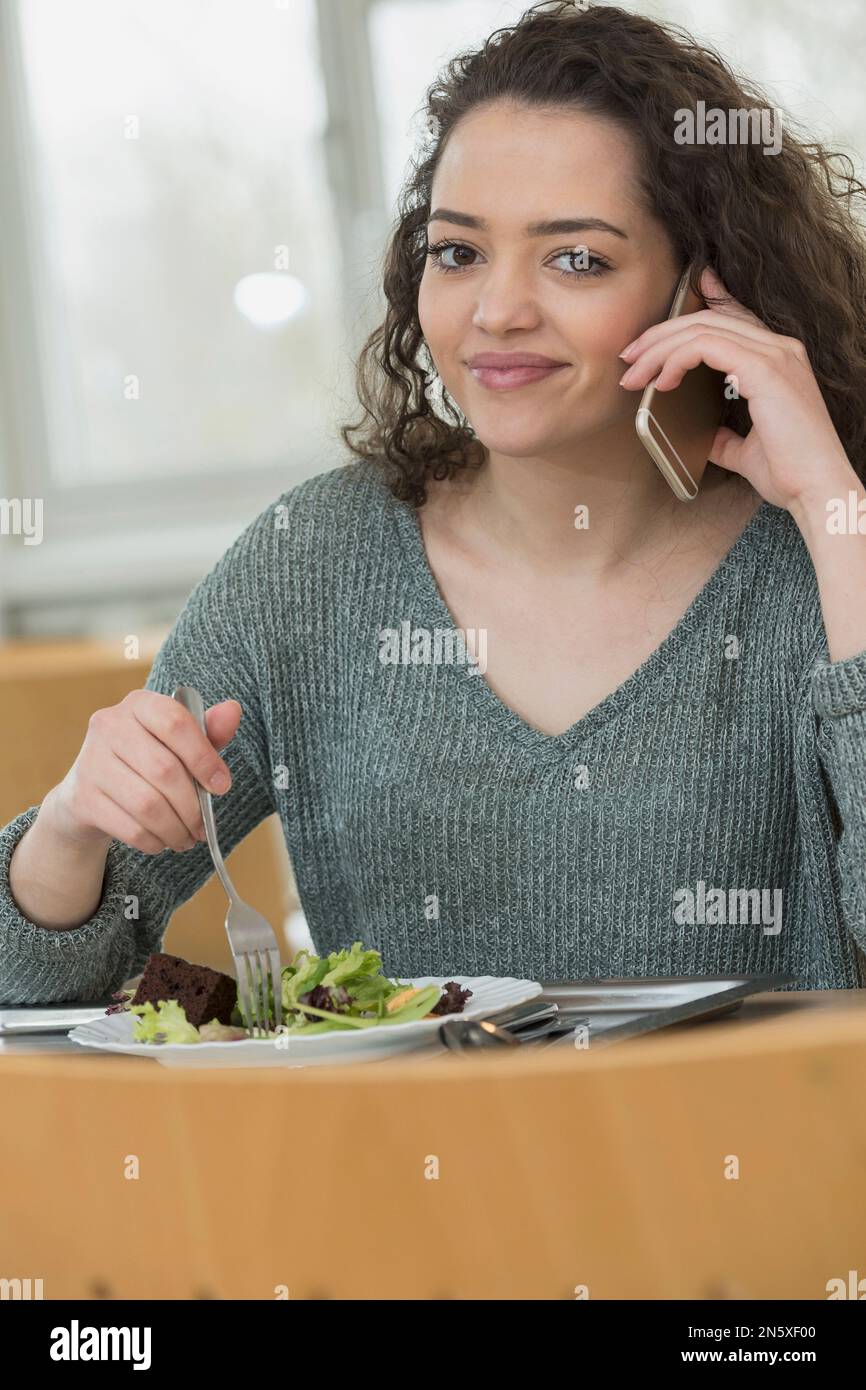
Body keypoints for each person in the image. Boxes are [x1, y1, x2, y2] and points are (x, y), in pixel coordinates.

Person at [2, 1, 866, 1005]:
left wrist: (829, 505)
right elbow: (28, 979)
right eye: (458, 252)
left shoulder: (820, 558)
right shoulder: (309, 564)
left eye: (574, 258)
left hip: (763, 1160)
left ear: (700, 291)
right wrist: (70, 822)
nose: (495, 310)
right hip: (403, 1163)